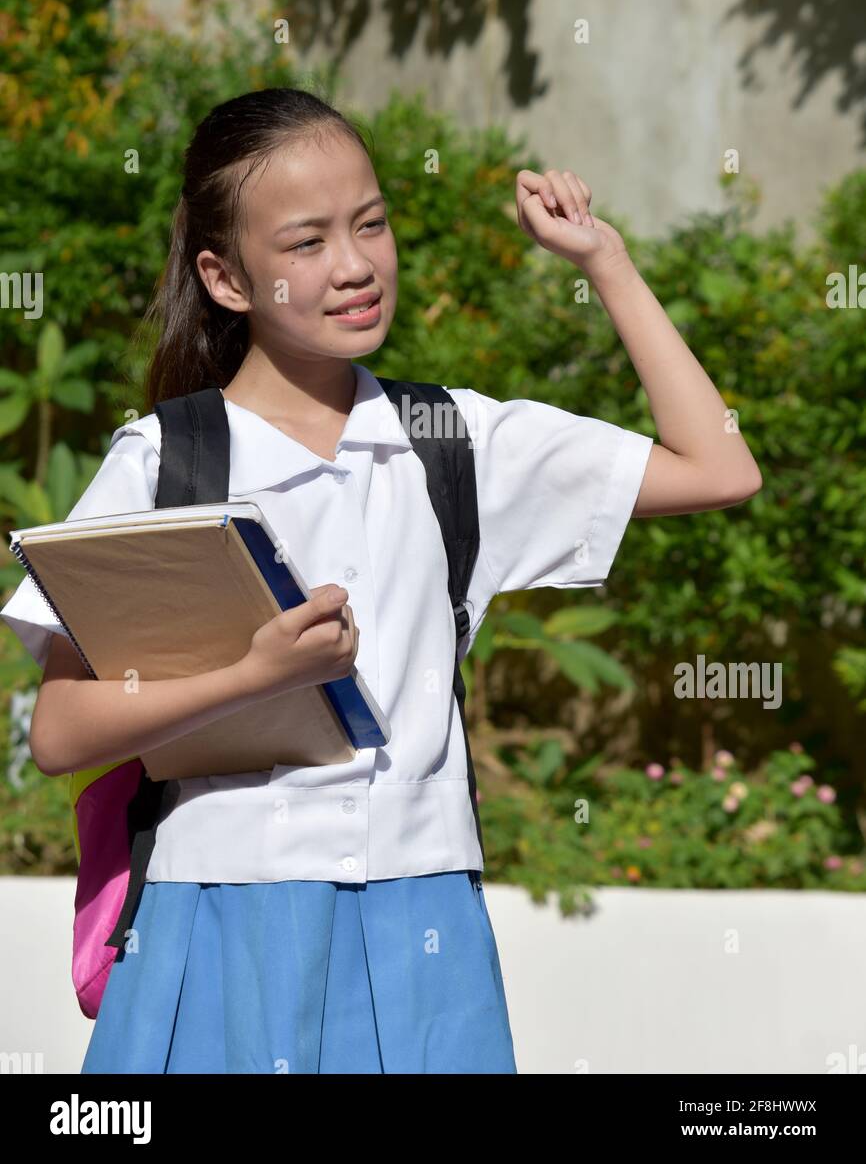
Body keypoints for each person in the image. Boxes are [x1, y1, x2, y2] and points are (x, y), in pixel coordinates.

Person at [0, 86, 762, 1074]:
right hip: (216, 921)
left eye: (371, 223)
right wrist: (253, 676)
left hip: (422, 920)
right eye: (307, 242)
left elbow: (718, 466)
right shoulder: (162, 463)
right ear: (226, 278)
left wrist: (601, 260)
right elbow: (61, 732)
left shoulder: (454, 441)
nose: (356, 266)